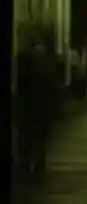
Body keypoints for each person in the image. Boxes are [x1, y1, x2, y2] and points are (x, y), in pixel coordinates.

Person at [15, 26, 62, 180]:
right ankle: (38, 166)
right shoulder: (47, 62)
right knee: (40, 138)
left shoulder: (24, 60)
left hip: (28, 104)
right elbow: (53, 86)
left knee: (27, 137)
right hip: (42, 106)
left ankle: (26, 165)